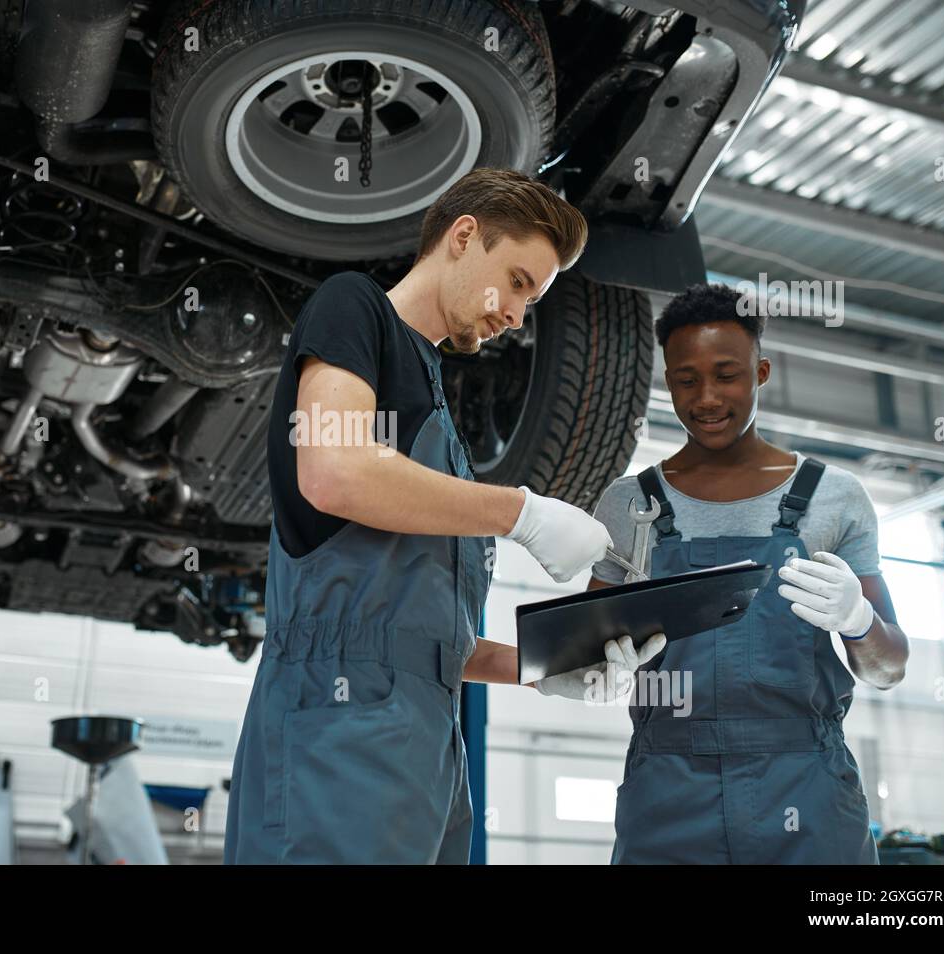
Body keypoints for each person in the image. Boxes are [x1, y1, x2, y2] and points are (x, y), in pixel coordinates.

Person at [224, 168, 636, 864]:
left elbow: (424, 644)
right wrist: (521, 513)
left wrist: (546, 665)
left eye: (531, 299)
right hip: (342, 735)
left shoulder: (441, 420)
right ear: (464, 236)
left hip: (430, 752)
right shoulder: (354, 309)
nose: (516, 315)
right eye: (517, 282)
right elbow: (334, 471)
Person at [583, 282, 909, 864]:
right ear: (667, 380)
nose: (706, 397)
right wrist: (590, 674)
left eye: (726, 374)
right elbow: (581, 657)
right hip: (667, 790)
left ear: (760, 371)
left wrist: (858, 621)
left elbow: (890, 668)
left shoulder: (834, 498)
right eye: (686, 379)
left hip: (806, 791)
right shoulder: (628, 504)